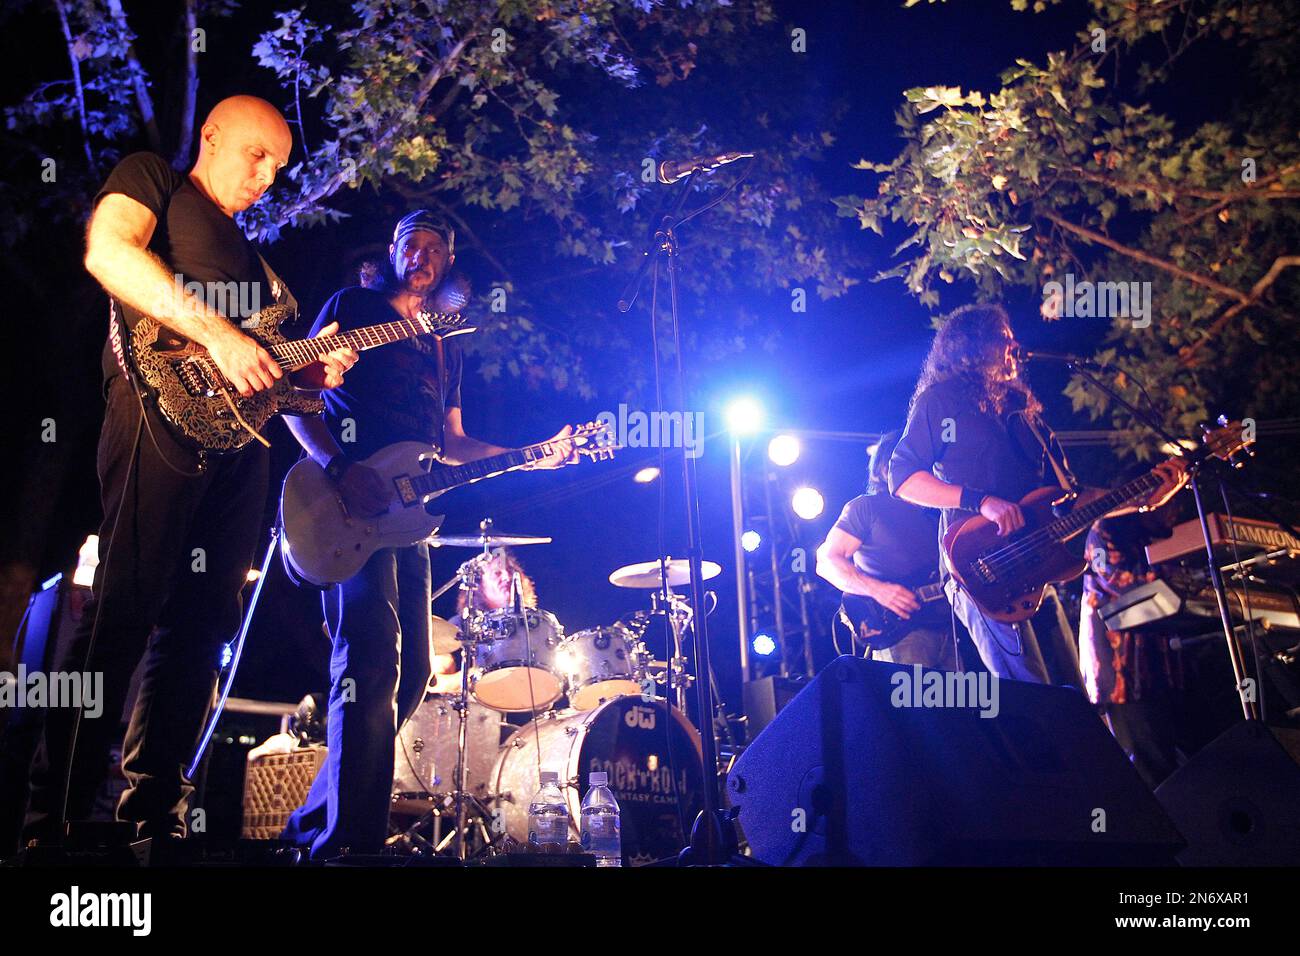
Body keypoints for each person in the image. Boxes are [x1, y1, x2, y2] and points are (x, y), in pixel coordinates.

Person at [2, 95, 356, 852]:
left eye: (280, 167)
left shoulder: (256, 264)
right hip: (155, 418)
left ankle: (155, 820)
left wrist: (313, 375)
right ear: (212, 135)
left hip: (239, 452)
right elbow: (109, 254)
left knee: (202, 629)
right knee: (121, 610)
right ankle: (53, 821)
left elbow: (267, 375)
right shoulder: (154, 180)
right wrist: (217, 334)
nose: (266, 176)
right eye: (255, 155)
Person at [280, 210, 577, 859]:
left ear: (447, 262)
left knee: (412, 671)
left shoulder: (446, 343)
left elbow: (455, 442)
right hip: (345, 502)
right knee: (368, 659)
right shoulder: (353, 305)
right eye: (411, 242)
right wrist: (338, 466)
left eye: (436, 247)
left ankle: (309, 826)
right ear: (392, 251)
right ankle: (349, 846)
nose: (423, 254)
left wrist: (535, 452)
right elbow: (293, 395)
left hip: (410, 515)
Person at [889, 302, 1185, 684]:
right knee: (1031, 693)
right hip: (982, 566)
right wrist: (980, 501)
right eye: (1003, 339)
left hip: (1038, 567)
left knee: (1072, 693)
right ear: (972, 345)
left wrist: (1143, 499)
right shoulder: (942, 400)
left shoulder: (1023, 409)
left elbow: (1071, 499)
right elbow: (903, 479)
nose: (1014, 346)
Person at [815, 431, 958, 670]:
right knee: (914, 707)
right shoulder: (866, 507)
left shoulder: (937, 512)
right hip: (901, 633)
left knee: (959, 706)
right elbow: (827, 562)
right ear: (885, 468)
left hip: (948, 626)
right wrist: (879, 591)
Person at [1080, 506, 1185, 787]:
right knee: (1148, 769)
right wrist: (1182, 564)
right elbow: (1119, 581)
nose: (1175, 511)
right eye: (1170, 502)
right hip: (1121, 674)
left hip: (1158, 669)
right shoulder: (1104, 531)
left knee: (1177, 760)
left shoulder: (1152, 535)